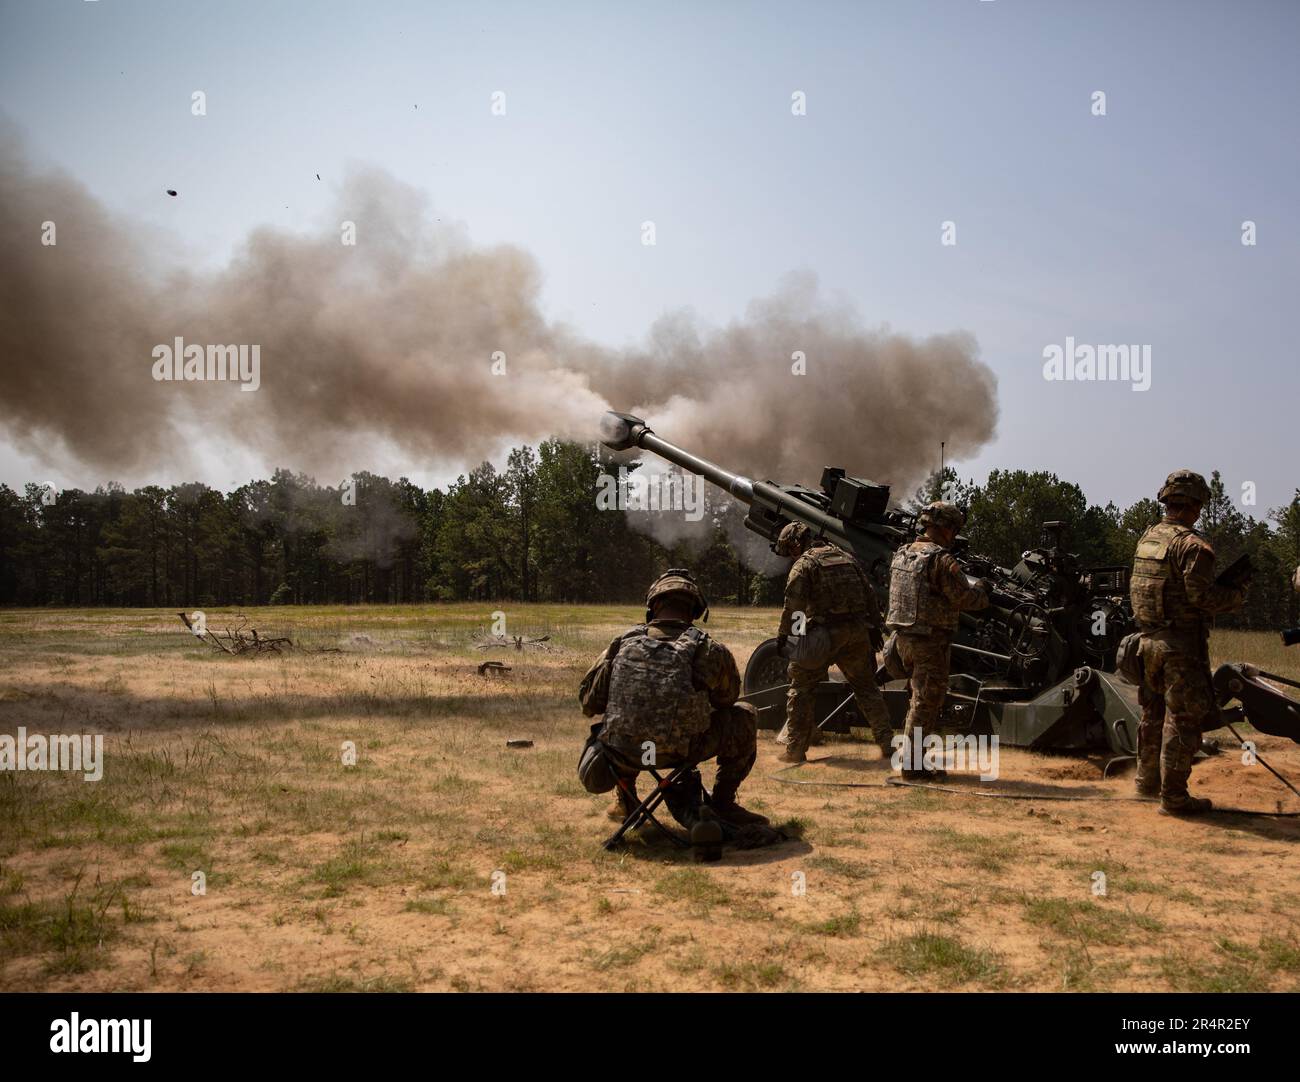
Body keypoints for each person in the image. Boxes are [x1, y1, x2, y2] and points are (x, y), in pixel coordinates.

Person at [578, 569, 767, 828]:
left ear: (653, 606)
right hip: (682, 752)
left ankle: (626, 799)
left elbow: (589, 703)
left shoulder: (622, 642)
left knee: (628, 722)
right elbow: (727, 700)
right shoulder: (709, 650)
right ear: (695, 611)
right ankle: (723, 803)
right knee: (744, 714)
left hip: (623, 754)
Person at [1130, 470, 1246, 815]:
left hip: (1147, 642)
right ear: (1196, 505)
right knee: (1183, 719)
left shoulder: (1149, 539)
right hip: (1180, 648)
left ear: (1167, 501)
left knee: (1152, 713)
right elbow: (1202, 597)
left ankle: (1146, 783)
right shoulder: (1194, 546)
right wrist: (1236, 595)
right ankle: (1175, 798)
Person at [774, 522, 894, 763]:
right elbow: (869, 594)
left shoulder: (804, 565)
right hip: (856, 633)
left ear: (797, 544)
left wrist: (788, 638)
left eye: (790, 550)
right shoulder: (846, 557)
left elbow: (794, 608)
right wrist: (874, 628)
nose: (791, 556)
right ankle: (888, 744)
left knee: (801, 688)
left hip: (823, 635)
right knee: (867, 689)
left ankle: (795, 750)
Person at [885, 502, 989, 779]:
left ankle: (915, 761)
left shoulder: (903, 553)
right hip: (928, 642)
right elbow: (964, 598)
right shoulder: (942, 560)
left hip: (901, 639)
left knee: (918, 700)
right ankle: (912, 766)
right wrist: (983, 588)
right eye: (953, 529)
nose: (954, 535)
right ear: (945, 528)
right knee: (925, 702)